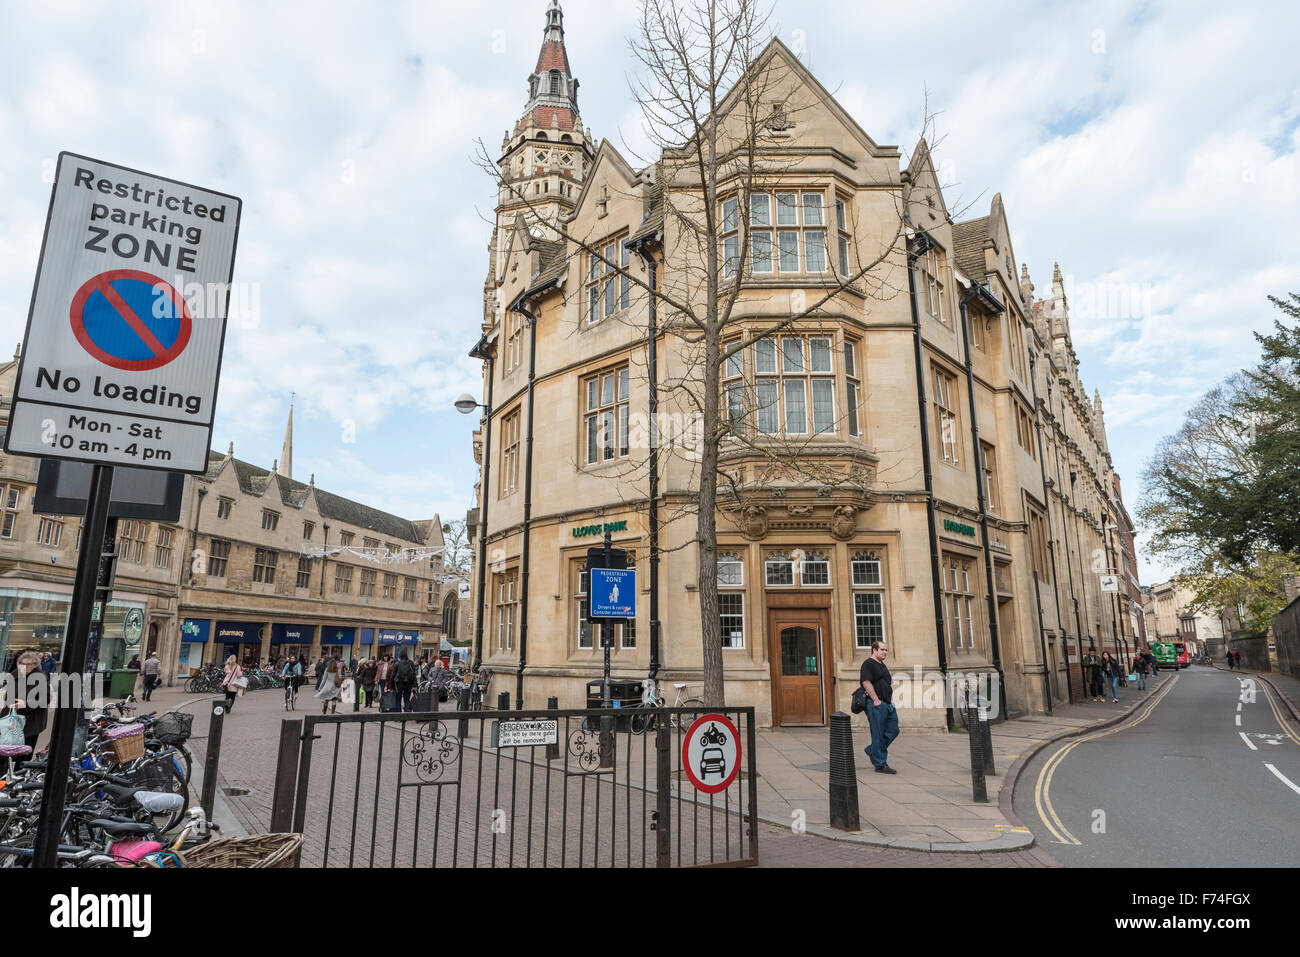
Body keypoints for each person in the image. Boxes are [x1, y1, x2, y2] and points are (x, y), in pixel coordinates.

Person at [2, 650, 48, 768]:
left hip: (31, 723)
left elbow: (45, 699)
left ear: (35, 665)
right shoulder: (14, 675)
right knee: (4, 752)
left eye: (29, 664)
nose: (25, 667)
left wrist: (26, 704)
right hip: (12, 721)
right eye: (22, 664)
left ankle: (19, 778)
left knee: (24, 754)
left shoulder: (40, 678)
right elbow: (8, 698)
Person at [859, 639, 898, 774]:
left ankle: (872, 750)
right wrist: (876, 700)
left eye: (886, 650)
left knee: (894, 730)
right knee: (878, 733)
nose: (885, 652)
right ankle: (880, 764)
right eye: (882, 649)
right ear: (874, 650)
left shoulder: (882, 664)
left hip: (887, 704)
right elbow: (866, 682)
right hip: (876, 704)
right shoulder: (868, 664)